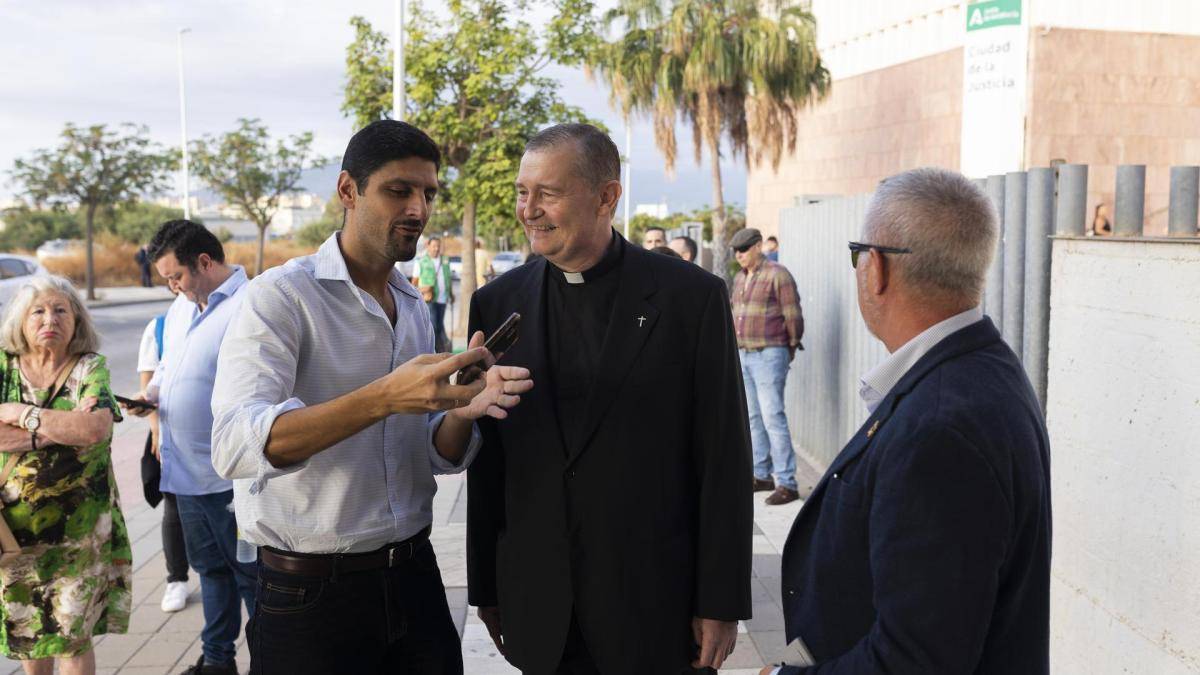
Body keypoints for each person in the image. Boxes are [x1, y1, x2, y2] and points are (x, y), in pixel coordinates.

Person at [210, 120, 531, 675]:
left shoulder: (411, 304)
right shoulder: (281, 296)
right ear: (348, 190)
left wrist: (461, 411)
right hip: (309, 595)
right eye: (398, 190)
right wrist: (382, 397)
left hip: (414, 576)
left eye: (428, 193)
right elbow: (234, 445)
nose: (418, 209)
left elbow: (425, 452)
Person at [468, 123, 752, 675]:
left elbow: (723, 457)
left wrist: (721, 601)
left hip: (655, 606)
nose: (528, 210)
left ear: (606, 197)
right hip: (541, 607)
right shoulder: (497, 303)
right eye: (523, 192)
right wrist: (487, 587)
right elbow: (490, 460)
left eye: (547, 193)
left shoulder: (691, 299)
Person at [765, 168, 1052, 674]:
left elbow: (915, 659)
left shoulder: (940, 427)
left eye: (857, 254)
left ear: (875, 268)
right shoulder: (982, 368)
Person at [126, 220, 255, 675]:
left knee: (251, 578)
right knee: (210, 571)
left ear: (204, 262)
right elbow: (167, 366)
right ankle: (217, 661)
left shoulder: (251, 305)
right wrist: (150, 396)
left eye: (176, 276)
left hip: (231, 479)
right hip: (184, 475)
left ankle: (269, 659)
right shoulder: (182, 307)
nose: (172, 287)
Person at [0, 275, 131, 675]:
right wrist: (57, 430)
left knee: (72, 635)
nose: (49, 319)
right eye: (38, 311)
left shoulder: (89, 367)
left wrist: (22, 415)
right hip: (14, 532)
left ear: (77, 320)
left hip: (80, 533)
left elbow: (93, 430)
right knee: (29, 630)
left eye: (60, 310)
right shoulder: (4, 366)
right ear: (21, 321)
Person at [731, 228, 805, 506]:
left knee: (773, 416)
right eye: (736, 251)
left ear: (758, 246)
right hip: (743, 353)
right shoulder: (740, 278)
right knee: (752, 417)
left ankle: (787, 483)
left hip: (770, 353)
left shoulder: (777, 274)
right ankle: (761, 474)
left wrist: (791, 345)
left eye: (744, 249)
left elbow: (792, 313)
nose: (739, 255)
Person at [135, 303, 190, 614]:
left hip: (212, 435)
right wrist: (156, 430)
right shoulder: (159, 327)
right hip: (169, 434)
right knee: (174, 507)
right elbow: (148, 388)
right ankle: (176, 578)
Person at [412, 236, 454, 351]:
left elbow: (448, 277)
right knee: (433, 325)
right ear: (428, 246)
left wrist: (451, 294)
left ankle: (439, 350)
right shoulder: (421, 261)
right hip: (429, 298)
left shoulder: (445, 260)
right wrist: (423, 289)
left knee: (439, 325)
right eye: (434, 246)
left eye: (438, 246)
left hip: (443, 298)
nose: (436, 248)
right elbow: (414, 284)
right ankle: (435, 350)